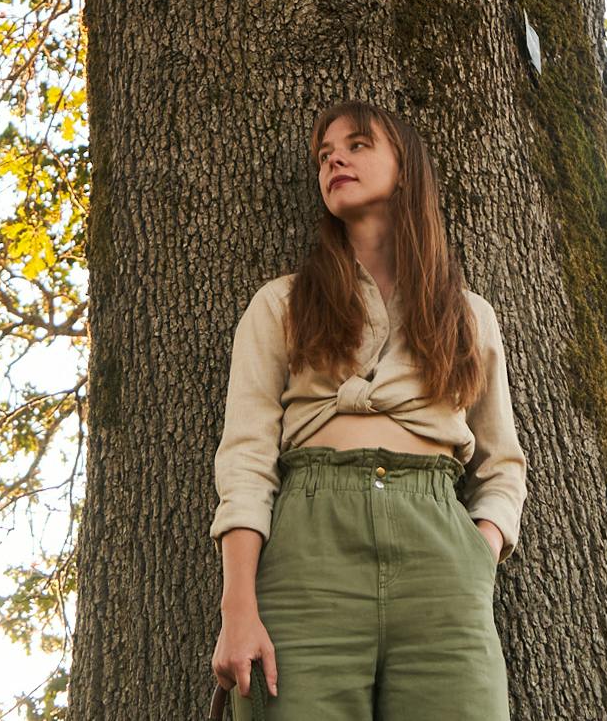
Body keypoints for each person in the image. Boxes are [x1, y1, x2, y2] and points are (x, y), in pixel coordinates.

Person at [208, 97, 527, 719]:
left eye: (356, 146)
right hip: (308, 555)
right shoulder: (281, 304)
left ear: (405, 168)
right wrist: (237, 607)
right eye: (325, 155)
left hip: (441, 559)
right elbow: (245, 458)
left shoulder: (468, 316)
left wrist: (477, 554)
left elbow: (501, 465)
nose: (334, 162)